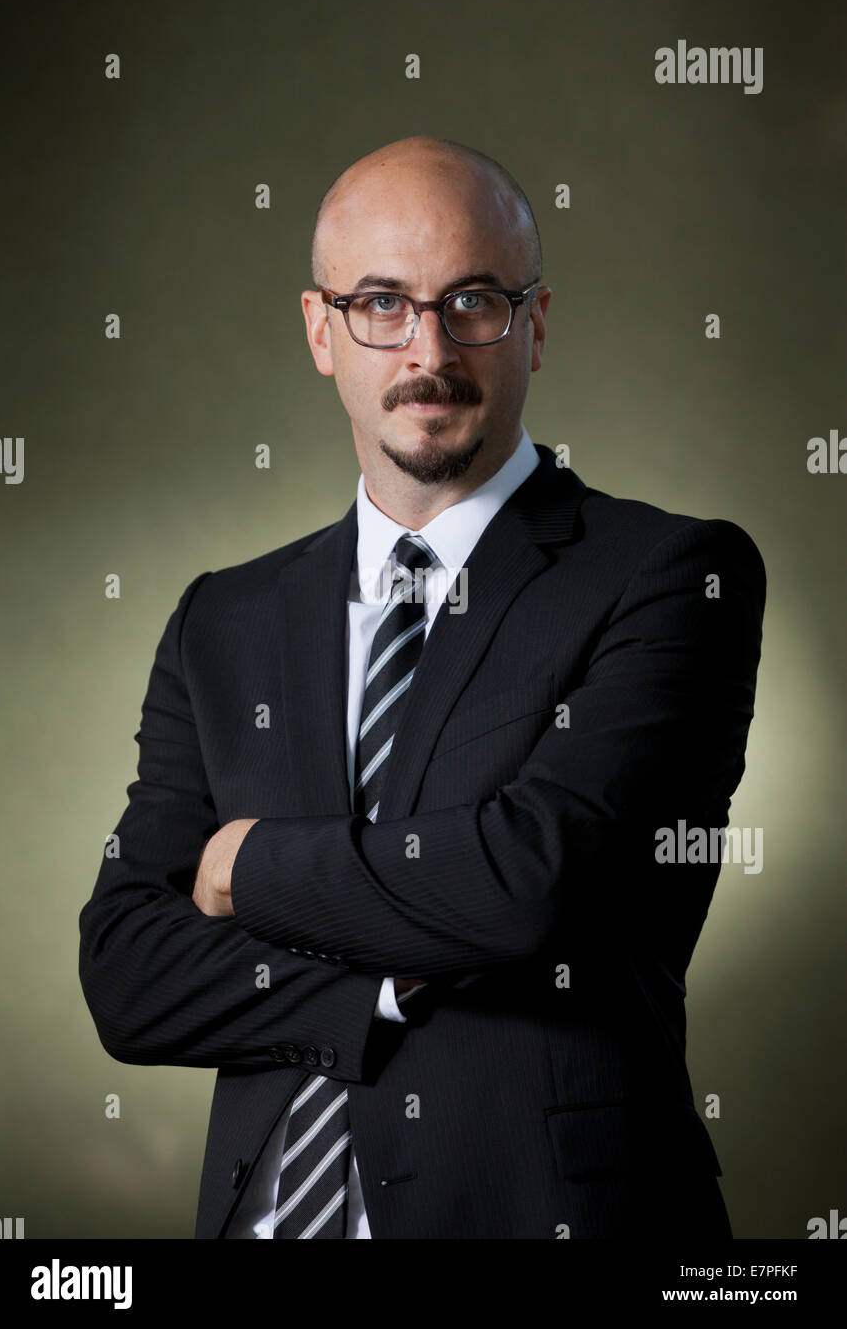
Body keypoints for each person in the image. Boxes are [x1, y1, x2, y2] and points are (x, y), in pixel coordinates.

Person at [79, 134, 765, 1240]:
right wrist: (381, 991)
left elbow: (525, 883)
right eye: (382, 304)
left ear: (534, 324)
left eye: (473, 301)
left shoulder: (668, 573)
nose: (427, 350)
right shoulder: (225, 619)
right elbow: (127, 971)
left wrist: (241, 864)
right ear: (320, 330)